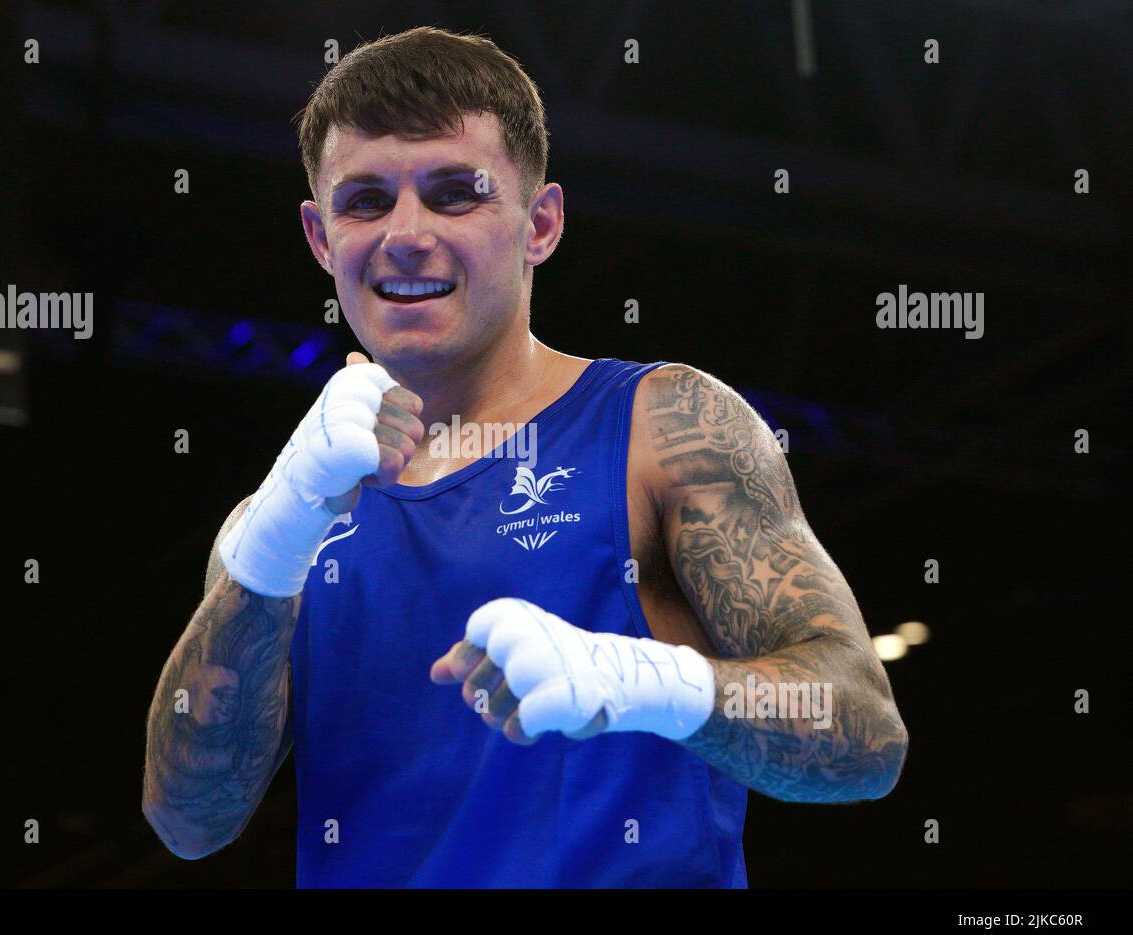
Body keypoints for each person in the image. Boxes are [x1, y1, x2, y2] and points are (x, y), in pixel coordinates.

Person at [142, 27, 908, 887]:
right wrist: (277, 539)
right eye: (365, 201)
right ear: (322, 241)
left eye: (453, 193)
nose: (405, 234)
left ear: (540, 222)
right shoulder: (275, 521)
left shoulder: (664, 424)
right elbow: (189, 821)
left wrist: (648, 680)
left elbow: (865, 736)